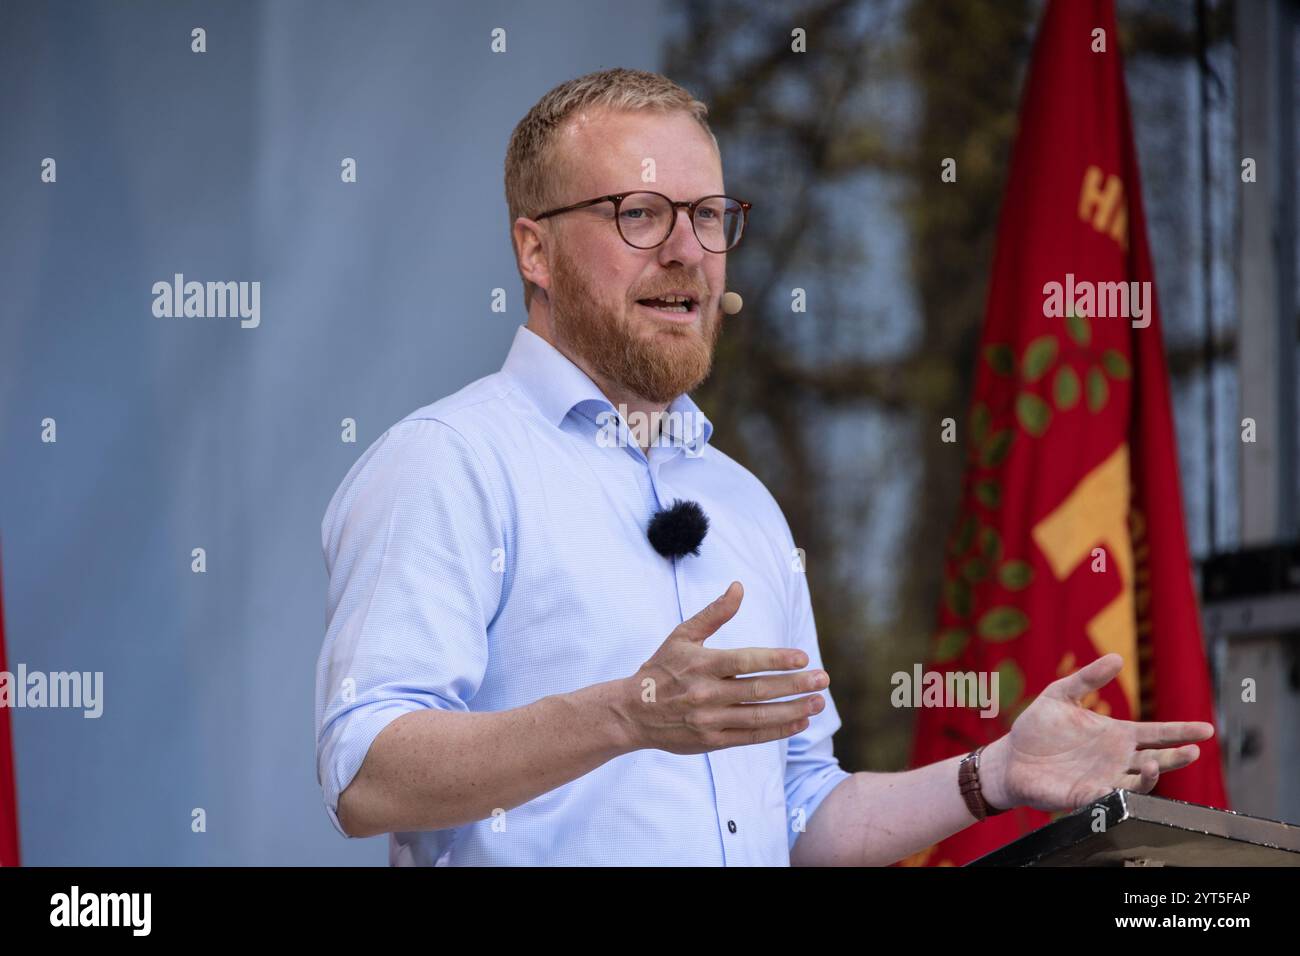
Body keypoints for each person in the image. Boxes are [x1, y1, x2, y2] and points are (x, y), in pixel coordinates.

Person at [314, 67, 1213, 866]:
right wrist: (625, 715)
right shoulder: (449, 462)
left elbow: (802, 815)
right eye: (638, 213)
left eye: (708, 216)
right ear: (534, 250)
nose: (686, 250)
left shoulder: (743, 503)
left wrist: (994, 774)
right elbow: (364, 774)